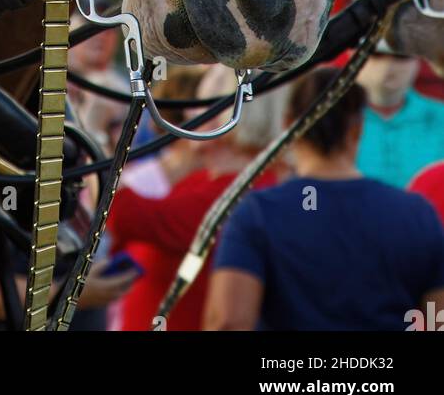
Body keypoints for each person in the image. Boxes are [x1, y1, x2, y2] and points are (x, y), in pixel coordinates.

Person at [205, 69, 444, 331]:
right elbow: (437, 318)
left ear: (288, 124)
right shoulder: (415, 213)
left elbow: (229, 321)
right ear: (358, 128)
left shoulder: (256, 213)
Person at [110, 66, 288, 330]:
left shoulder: (241, 190)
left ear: (231, 117)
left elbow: (128, 214)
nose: (188, 115)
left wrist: (95, 142)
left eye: (201, 106)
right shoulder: (210, 179)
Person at [355, 51, 444, 187]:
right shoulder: (332, 120)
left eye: (401, 56)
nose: (388, 67)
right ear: (353, 55)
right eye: (377, 55)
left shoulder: (440, 117)